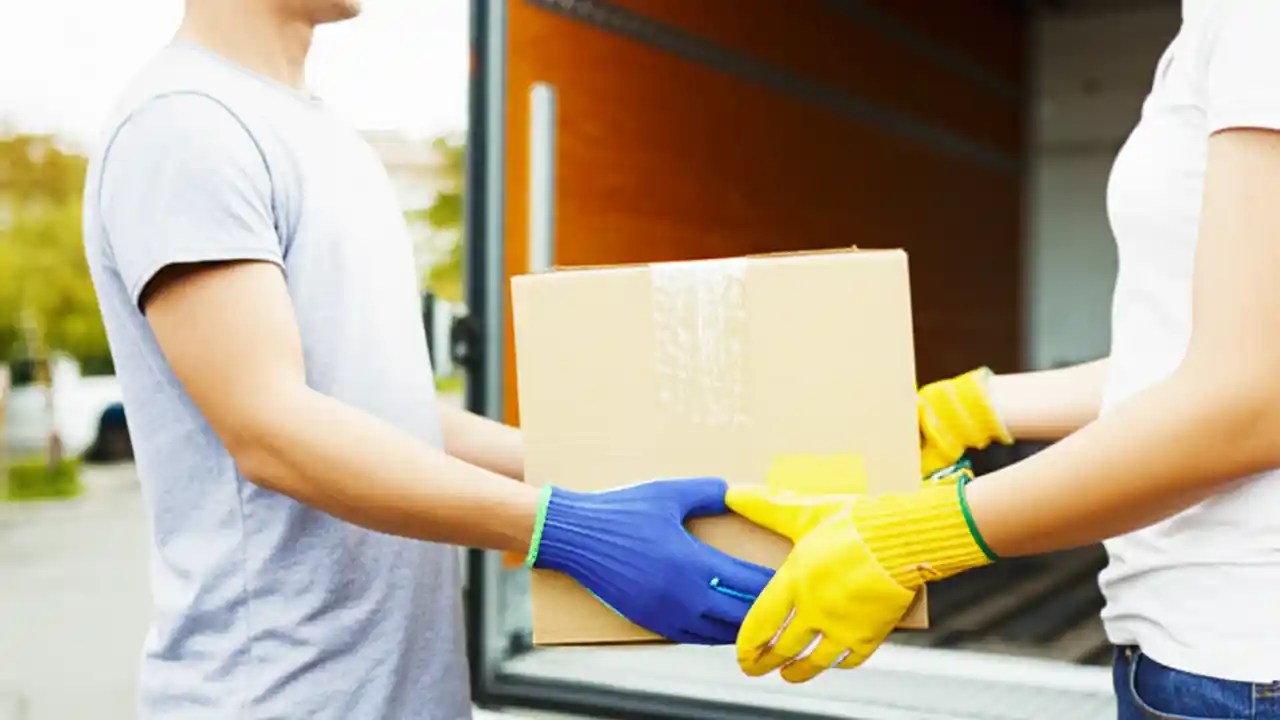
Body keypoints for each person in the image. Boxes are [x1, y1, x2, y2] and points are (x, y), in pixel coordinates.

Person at [81, 1, 772, 717]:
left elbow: (378, 407)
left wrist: (591, 467)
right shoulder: (184, 127)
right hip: (280, 698)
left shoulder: (325, 135)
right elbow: (270, 428)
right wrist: (559, 528)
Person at [728, 2, 1280, 717]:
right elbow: (1198, 359)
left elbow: (1249, 402)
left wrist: (916, 538)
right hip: (1198, 651)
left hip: (1242, 662)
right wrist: (968, 409)